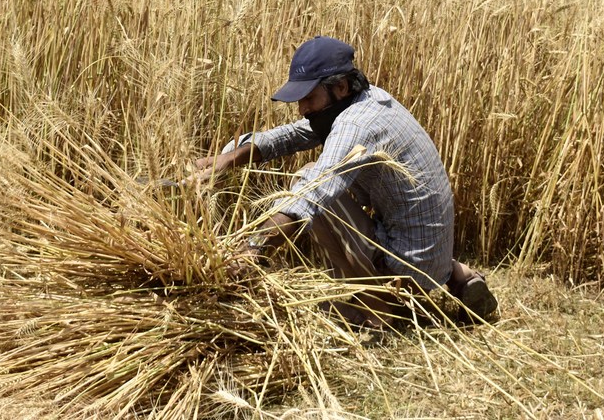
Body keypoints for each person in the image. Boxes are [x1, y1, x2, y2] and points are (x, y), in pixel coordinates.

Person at [195, 36, 497, 328]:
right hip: (431, 256)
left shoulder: (355, 125)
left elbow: (310, 195)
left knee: (310, 180)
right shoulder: (368, 101)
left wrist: (252, 250)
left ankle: (378, 309)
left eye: (309, 98)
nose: (302, 108)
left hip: (407, 270)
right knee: (317, 174)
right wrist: (232, 158)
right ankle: (459, 274)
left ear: (340, 86)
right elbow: (295, 134)